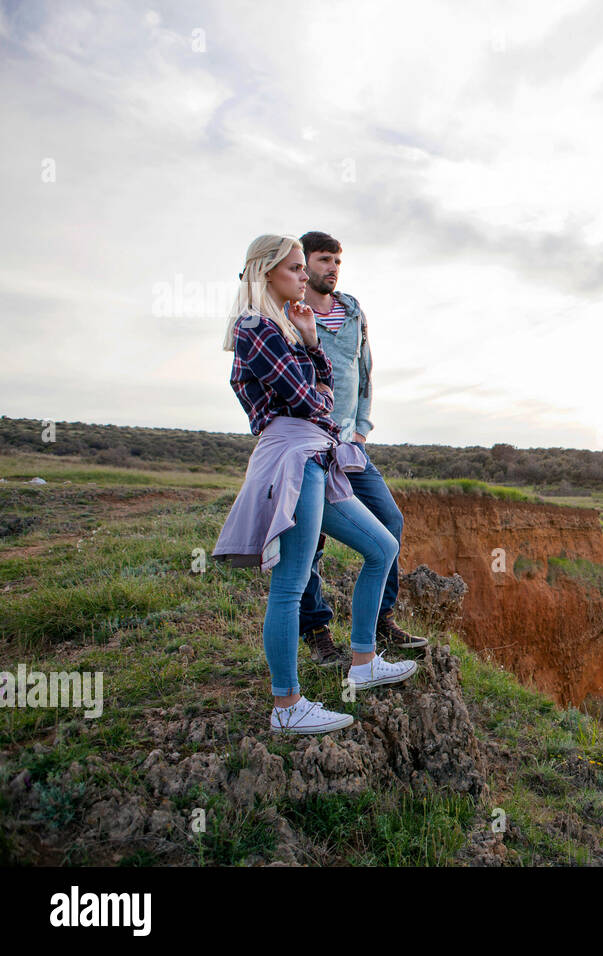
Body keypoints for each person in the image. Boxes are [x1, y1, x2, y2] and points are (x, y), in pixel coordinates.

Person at [212, 234, 417, 734]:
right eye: (296, 268)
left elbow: (321, 384)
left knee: (382, 545)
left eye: (306, 268)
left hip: (318, 455)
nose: (304, 276)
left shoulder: (285, 327)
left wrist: (309, 341)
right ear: (266, 273)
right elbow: (312, 399)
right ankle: (287, 707)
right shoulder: (254, 327)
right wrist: (315, 373)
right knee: (290, 583)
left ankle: (364, 662)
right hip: (292, 456)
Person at [294, 230, 428, 670]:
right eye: (323, 260)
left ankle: (381, 619)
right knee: (311, 543)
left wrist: (363, 430)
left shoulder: (352, 312)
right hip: (312, 445)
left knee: (389, 520)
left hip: (352, 446)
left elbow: (365, 372)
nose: (331, 268)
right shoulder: (288, 314)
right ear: (303, 263)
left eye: (337, 261)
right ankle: (317, 634)